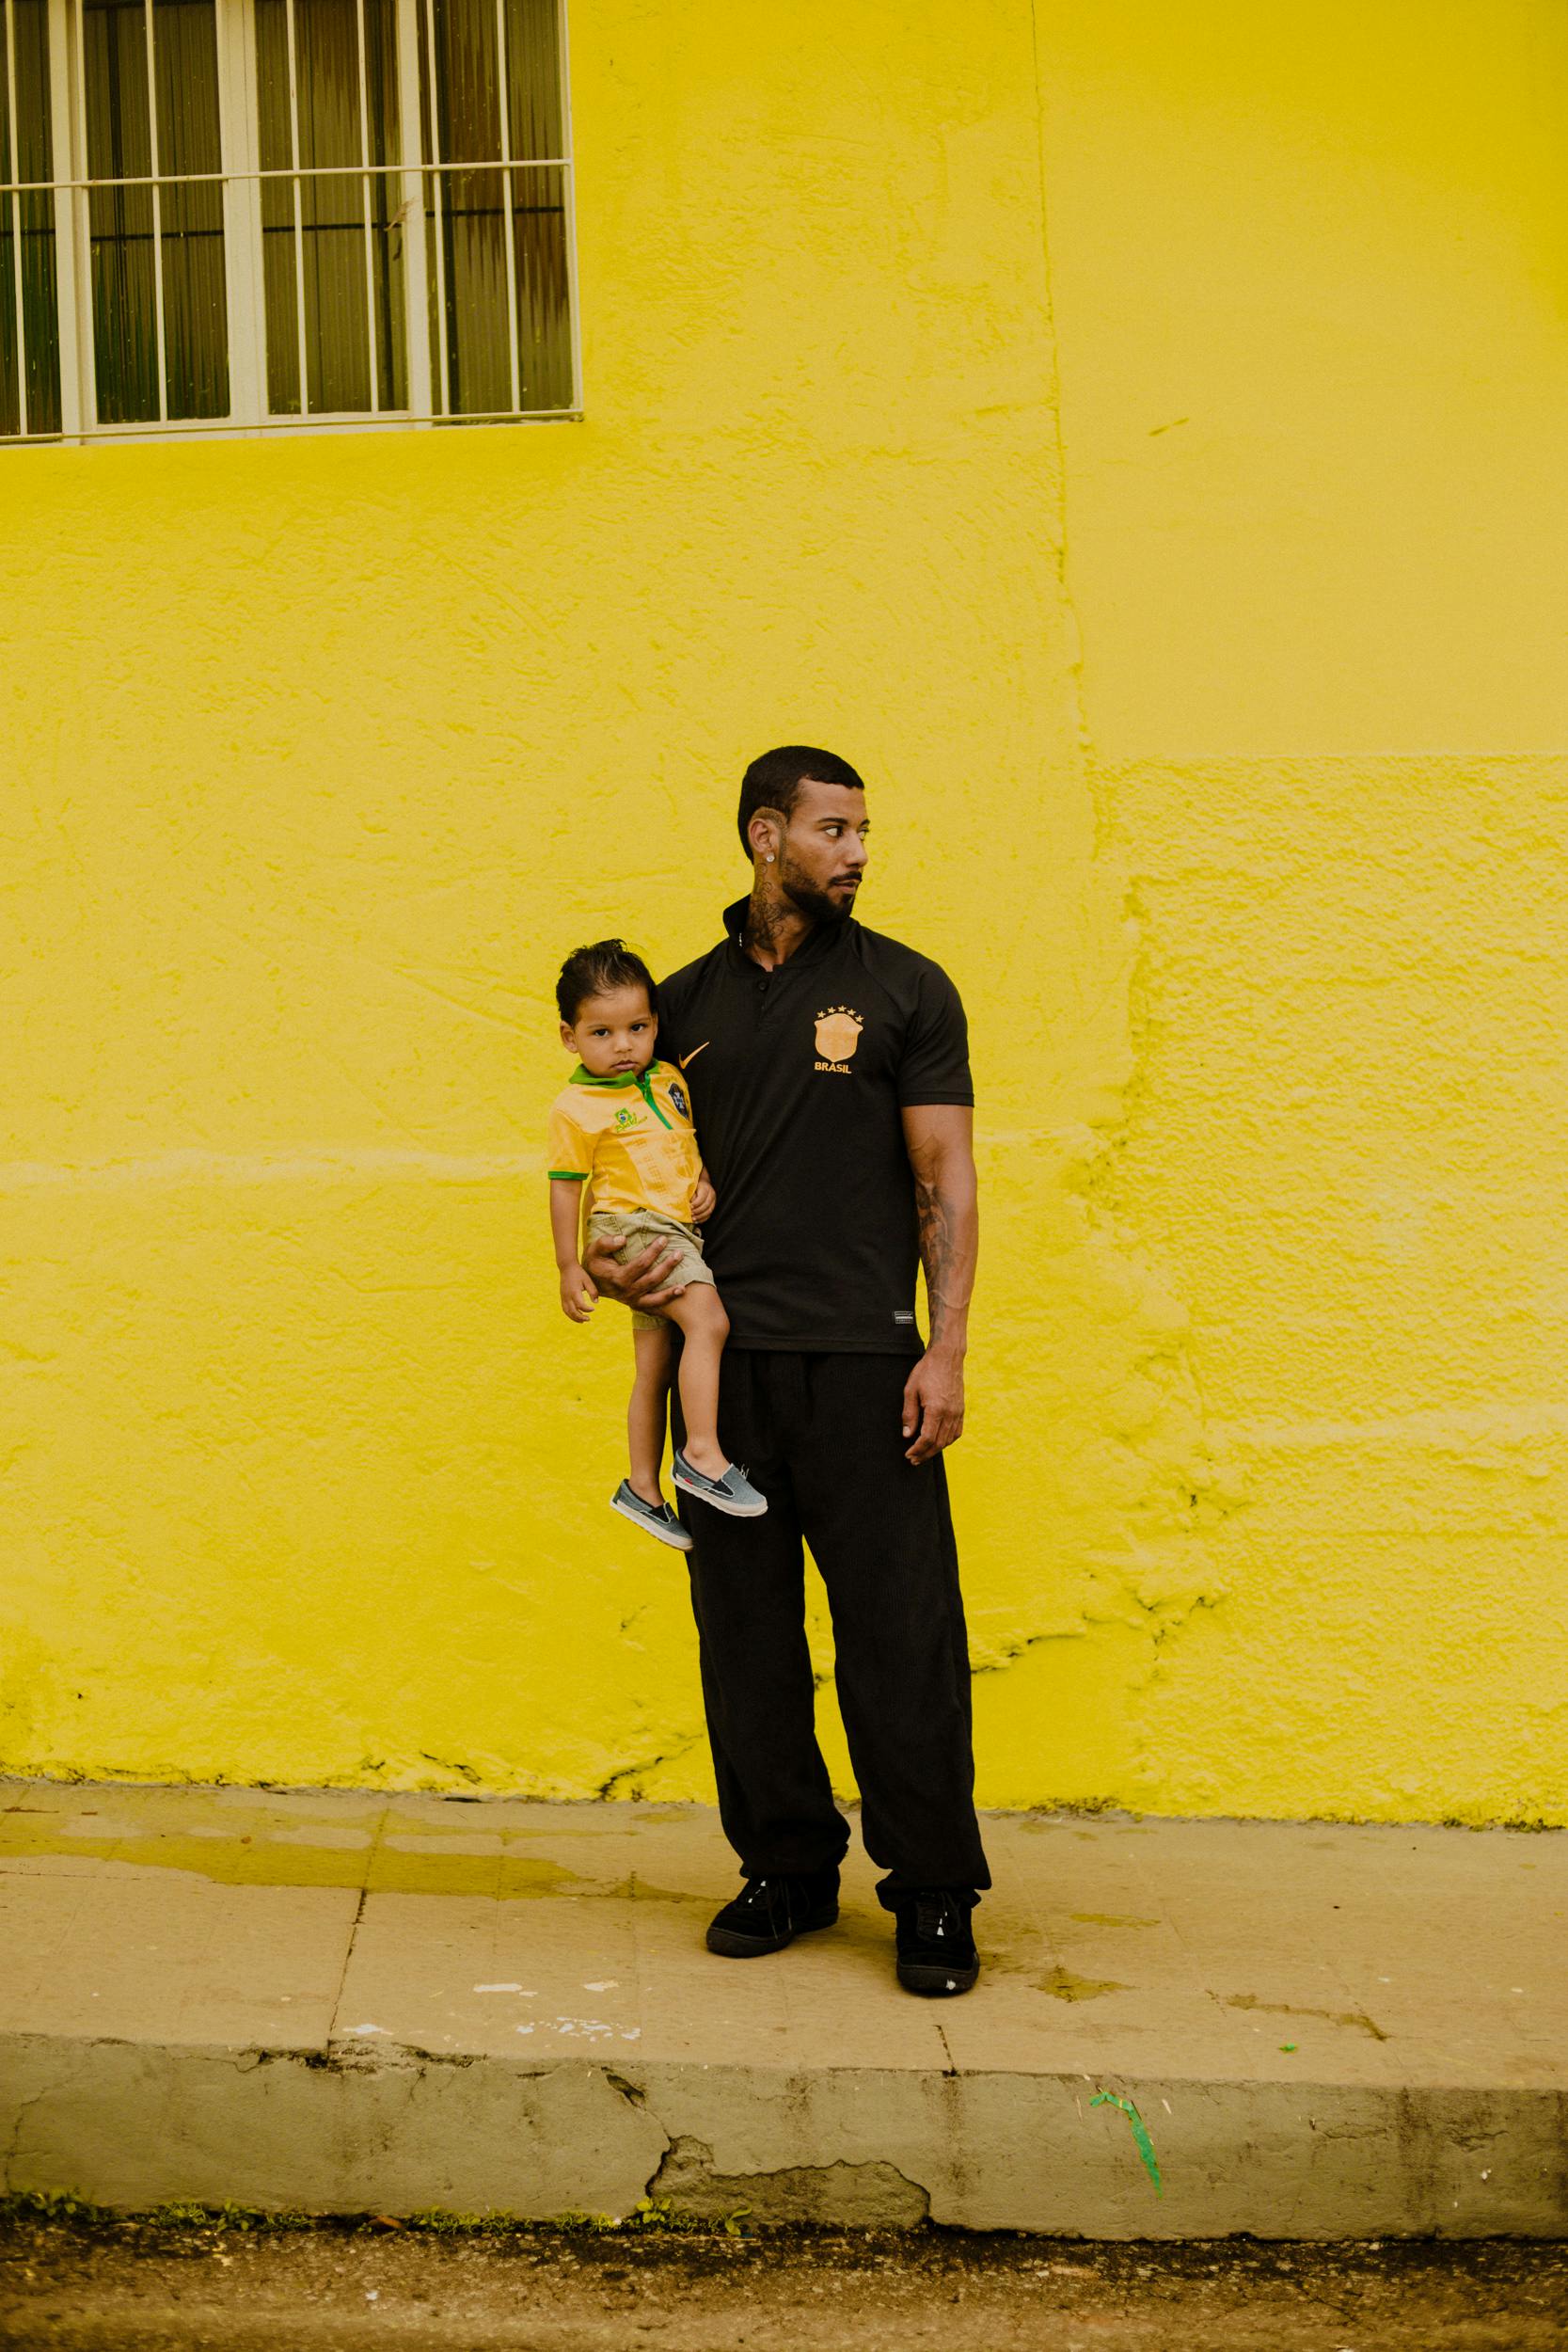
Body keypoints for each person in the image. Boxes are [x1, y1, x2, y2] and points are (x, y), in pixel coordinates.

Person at [583, 747, 990, 1997]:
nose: (856, 851)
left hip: (868, 1363)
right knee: (744, 1639)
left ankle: (928, 1894)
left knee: (899, 1638)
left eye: (862, 829)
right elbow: (625, 1165)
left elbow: (945, 1180)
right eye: (832, 829)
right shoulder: (682, 1006)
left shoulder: (904, 989)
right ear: (766, 836)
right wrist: (612, 1263)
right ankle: (786, 1870)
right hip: (728, 1373)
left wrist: (946, 1344)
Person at [546, 939, 768, 1544]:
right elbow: (567, 1188)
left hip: (674, 1223)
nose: (623, 1046)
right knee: (710, 1323)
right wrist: (570, 1265)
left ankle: (641, 1486)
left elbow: (677, 1144)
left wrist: (701, 1181)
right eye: (602, 1033)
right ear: (570, 1036)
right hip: (631, 1228)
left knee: (654, 1368)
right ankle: (701, 1454)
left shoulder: (668, 1077)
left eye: (637, 1027)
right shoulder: (576, 1107)